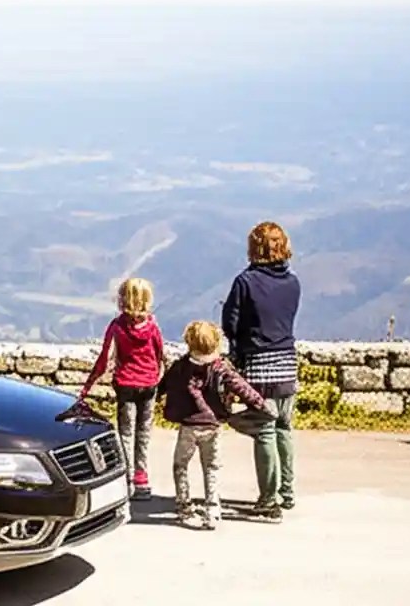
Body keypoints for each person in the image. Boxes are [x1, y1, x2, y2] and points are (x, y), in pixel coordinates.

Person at [159, 321, 276, 529]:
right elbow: (242, 388)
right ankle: (212, 510)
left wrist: (154, 397)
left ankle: (184, 507)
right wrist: (262, 406)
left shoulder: (181, 366)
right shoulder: (221, 368)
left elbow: (164, 384)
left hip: (189, 426)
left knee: (180, 466)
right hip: (213, 425)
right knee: (211, 467)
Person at [222, 221, 301, 522]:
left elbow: (231, 321)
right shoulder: (293, 282)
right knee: (283, 427)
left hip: (259, 365)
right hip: (287, 363)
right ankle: (287, 491)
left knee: (265, 430)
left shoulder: (245, 281)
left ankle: (269, 500)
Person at [79, 277, 165, 500]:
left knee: (126, 432)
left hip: (126, 384)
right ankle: (142, 478)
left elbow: (104, 358)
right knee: (144, 432)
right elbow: (159, 354)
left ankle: (126, 480)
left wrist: (87, 388)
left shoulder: (117, 326)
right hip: (148, 384)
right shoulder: (153, 327)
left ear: (122, 300)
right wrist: (157, 376)